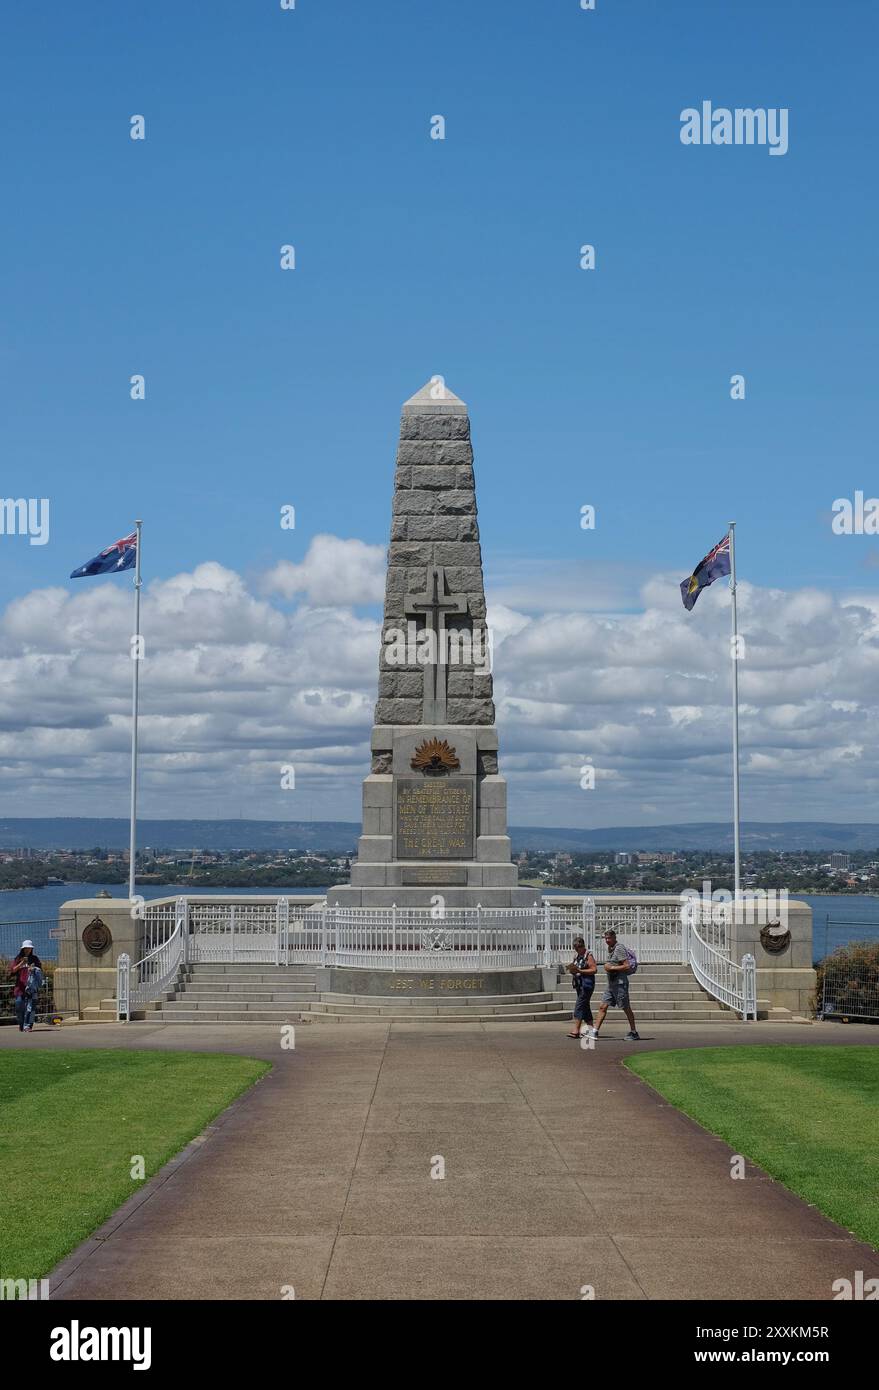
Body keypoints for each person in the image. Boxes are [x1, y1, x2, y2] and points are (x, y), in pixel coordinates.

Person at [591, 928, 640, 1041]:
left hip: (620, 984)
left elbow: (626, 965)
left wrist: (611, 967)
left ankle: (634, 1032)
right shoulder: (611, 948)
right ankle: (595, 1032)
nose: (607, 940)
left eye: (609, 938)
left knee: (626, 1008)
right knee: (603, 1006)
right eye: (605, 938)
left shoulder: (619, 949)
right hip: (611, 984)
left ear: (614, 938)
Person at [8, 940, 44, 1033]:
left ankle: (28, 1026)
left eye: (29, 948)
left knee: (31, 1008)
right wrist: (21, 963)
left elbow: (40, 971)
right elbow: (12, 971)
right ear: (23, 949)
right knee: (19, 1005)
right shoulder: (18, 958)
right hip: (20, 987)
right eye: (26, 948)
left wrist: (33, 969)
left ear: (32, 949)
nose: (28, 950)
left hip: (32, 988)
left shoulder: (35, 959)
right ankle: (22, 1024)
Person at [565, 935, 597, 1039]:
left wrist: (580, 971)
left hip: (587, 985)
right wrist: (572, 970)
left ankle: (576, 1030)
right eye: (575, 948)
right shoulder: (577, 956)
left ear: (582, 946)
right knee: (585, 1007)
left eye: (578, 948)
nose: (577, 950)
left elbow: (594, 969)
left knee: (579, 1006)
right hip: (579, 984)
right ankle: (592, 1029)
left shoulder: (588, 955)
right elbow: (576, 967)